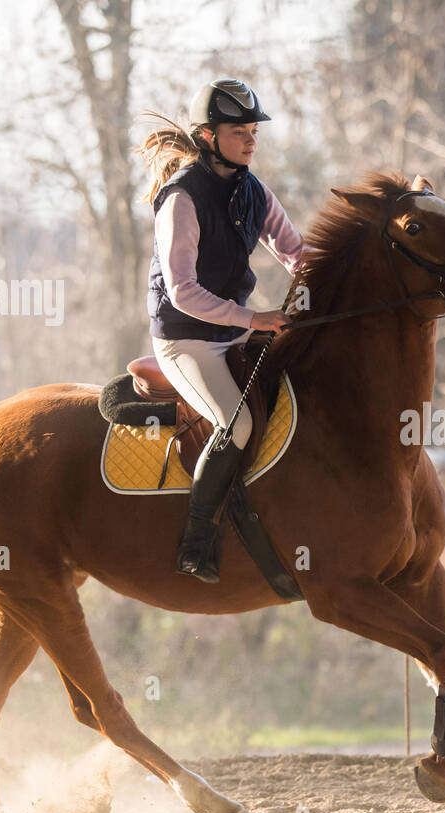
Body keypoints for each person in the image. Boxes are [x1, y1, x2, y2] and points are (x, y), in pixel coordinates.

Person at [136, 78, 308, 583]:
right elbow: (183, 291)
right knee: (238, 425)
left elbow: (297, 254)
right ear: (208, 136)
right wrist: (254, 319)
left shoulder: (255, 191)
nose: (252, 140)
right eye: (240, 131)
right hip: (185, 337)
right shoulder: (181, 199)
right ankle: (196, 540)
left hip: (232, 329)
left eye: (254, 131)